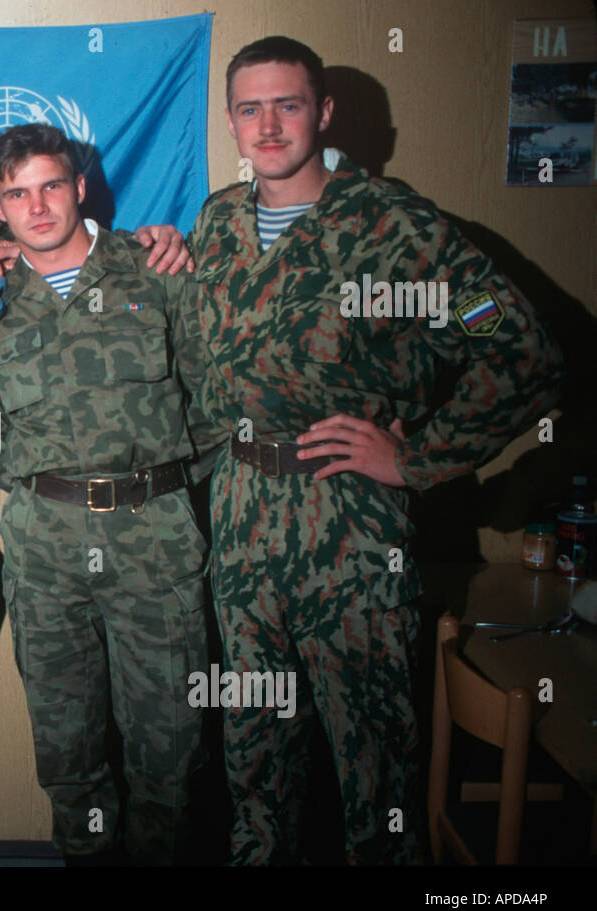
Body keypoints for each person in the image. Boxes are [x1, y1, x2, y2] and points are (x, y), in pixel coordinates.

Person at [178, 36, 564, 864]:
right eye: (250, 108)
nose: (269, 124)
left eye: (288, 105)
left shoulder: (398, 229)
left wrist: (418, 459)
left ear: (322, 113)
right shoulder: (217, 222)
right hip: (243, 517)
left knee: (374, 765)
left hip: (347, 525)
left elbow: (518, 347)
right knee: (255, 754)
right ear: (232, 123)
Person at [0, 123, 223, 865]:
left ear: (78, 186)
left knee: (171, 745)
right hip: (46, 549)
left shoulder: (157, 270)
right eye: (18, 193)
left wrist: (163, 478)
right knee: (67, 749)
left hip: (155, 537)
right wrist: (42, 484)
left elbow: (213, 392)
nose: (37, 207)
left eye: (50, 185)